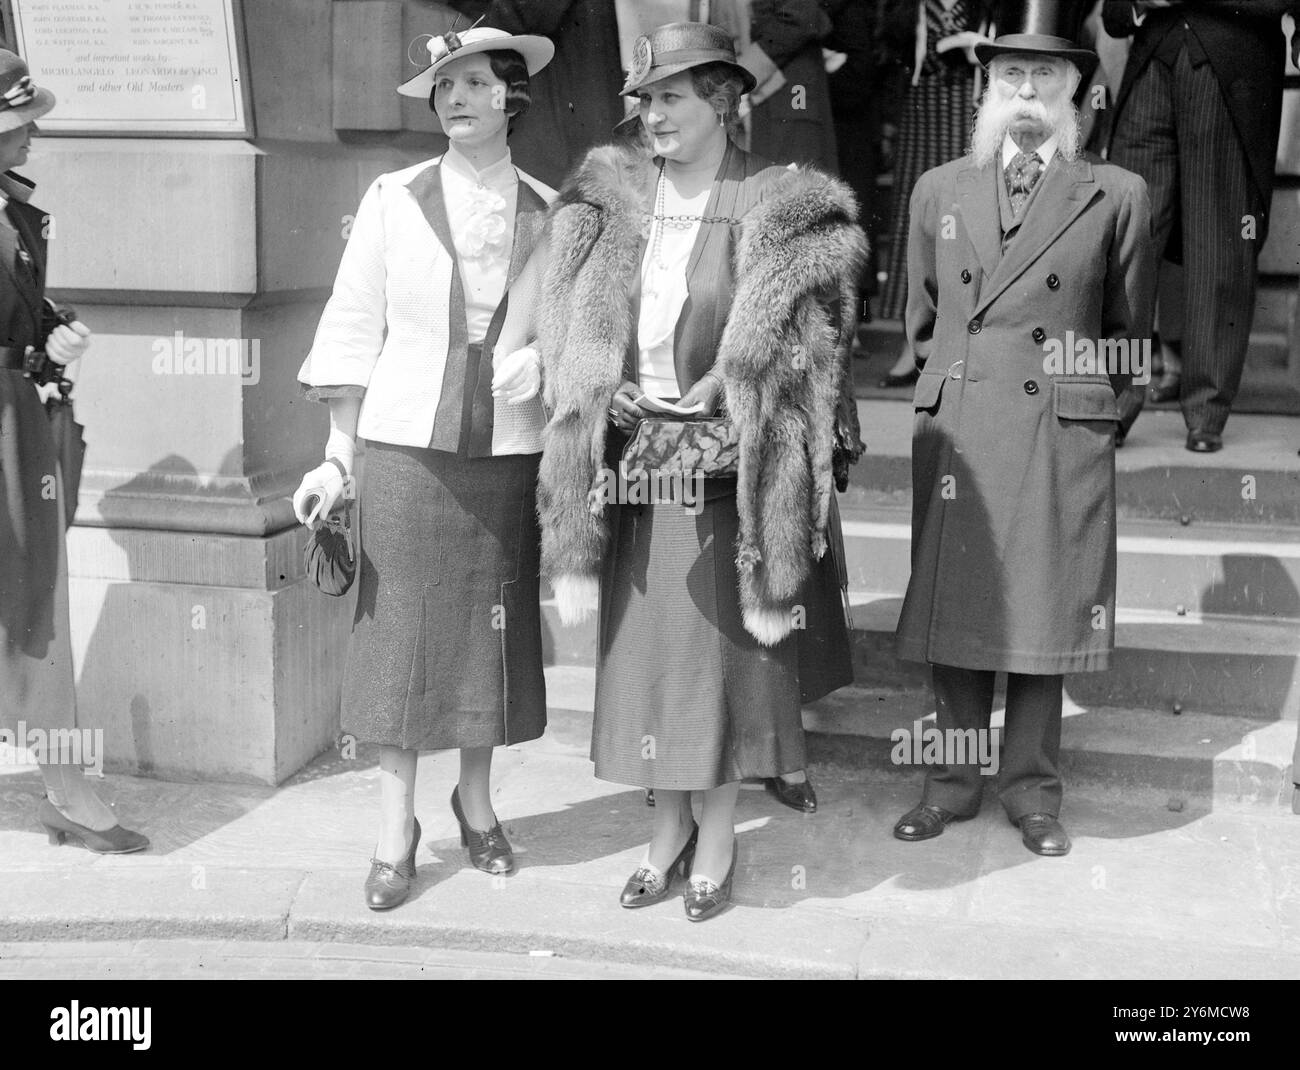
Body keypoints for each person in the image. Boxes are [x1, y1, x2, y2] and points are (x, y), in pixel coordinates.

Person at [535, 21, 864, 920]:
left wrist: (725, 379)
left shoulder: (775, 202)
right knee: (650, 665)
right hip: (640, 466)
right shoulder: (608, 203)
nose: (652, 114)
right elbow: (566, 332)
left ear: (726, 100)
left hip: (728, 468)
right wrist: (609, 388)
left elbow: (809, 342)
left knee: (720, 663)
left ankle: (714, 842)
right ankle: (666, 832)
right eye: (645, 99)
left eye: (672, 96)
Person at [294, 26, 556, 911]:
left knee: (488, 635)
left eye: (475, 83)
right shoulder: (391, 197)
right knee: (399, 636)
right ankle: (394, 826)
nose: (456, 99)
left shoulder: (555, 213)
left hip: (507, 452)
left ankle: (475, 803)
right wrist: (338, 456)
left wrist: (547, 366)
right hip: (402, 450)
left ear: (510, 97)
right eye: (444, 86)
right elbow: (351, 318)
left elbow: (577, 341)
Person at [892, 5, 1154, 856]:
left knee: (1046, 611)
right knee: (957, 610)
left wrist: (1090, 416)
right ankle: (951, 782)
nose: (1027, 91)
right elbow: (924, 319)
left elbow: (1125, 330)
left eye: (1046, 75)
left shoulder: (1116, 193)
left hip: (1055, 425)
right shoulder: (939, 189)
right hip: (965, 425)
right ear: (987, 87)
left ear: (1078, 89)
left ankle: (1033, 791)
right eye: (1011, 75)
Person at [0, 51, 149, 855]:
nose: (33, 134)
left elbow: (21, 317)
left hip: (19, 431)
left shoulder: (14, 211)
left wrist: (52, 342)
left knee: (35, 607)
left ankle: (64, 784)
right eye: (20, 123)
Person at [1102, 0, 1293, 452]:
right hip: (1149, 66)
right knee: (1124, 244)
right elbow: (1113, 17)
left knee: (1220, 240)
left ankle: (1206, 410)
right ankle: (1109, 402)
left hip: (1232, 69)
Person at [877, 0, 992, 388]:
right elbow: (890, 47)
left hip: (971, 110)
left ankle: (966, 340)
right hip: (923, 110)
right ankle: (913, 341)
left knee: (969, 220)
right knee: (917, 220)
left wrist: (978, 47)